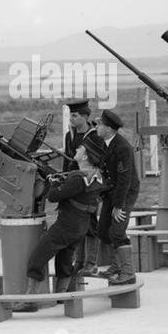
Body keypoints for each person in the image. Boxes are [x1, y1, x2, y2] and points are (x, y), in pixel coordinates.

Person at [19, 137, 109, 309]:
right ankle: (62, 295)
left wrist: (53, 183)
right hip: (80, 228)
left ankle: (29, 300)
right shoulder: (97, 177)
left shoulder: (77, 178)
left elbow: (53, 196)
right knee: (65, 260)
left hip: (66, 227)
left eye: (81, 149)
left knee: (37, 259)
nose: (77, 149)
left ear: (85, 157)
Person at [95, 109, 139, 285]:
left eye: (99, 124)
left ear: (109, 128)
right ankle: (117, 265)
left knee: (117, 231)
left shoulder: (122, 147)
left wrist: (119, 206)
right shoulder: (106, 143)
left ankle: (128, 272)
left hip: (125, 192)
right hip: (112, 192)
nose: (96, 127)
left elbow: (124, 179)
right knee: (103, 231)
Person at [62, 98, 103, 278]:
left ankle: (91, 263)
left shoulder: (94, 136)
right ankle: (79, 261)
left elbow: (100, 162)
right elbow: (67, 160)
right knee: (77, 224)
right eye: (71, 115)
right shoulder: (69, 135)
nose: (71, 118)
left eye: (75, 115)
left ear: (85, 117)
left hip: (90, 186)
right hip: (75, 185)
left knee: (91, 224)